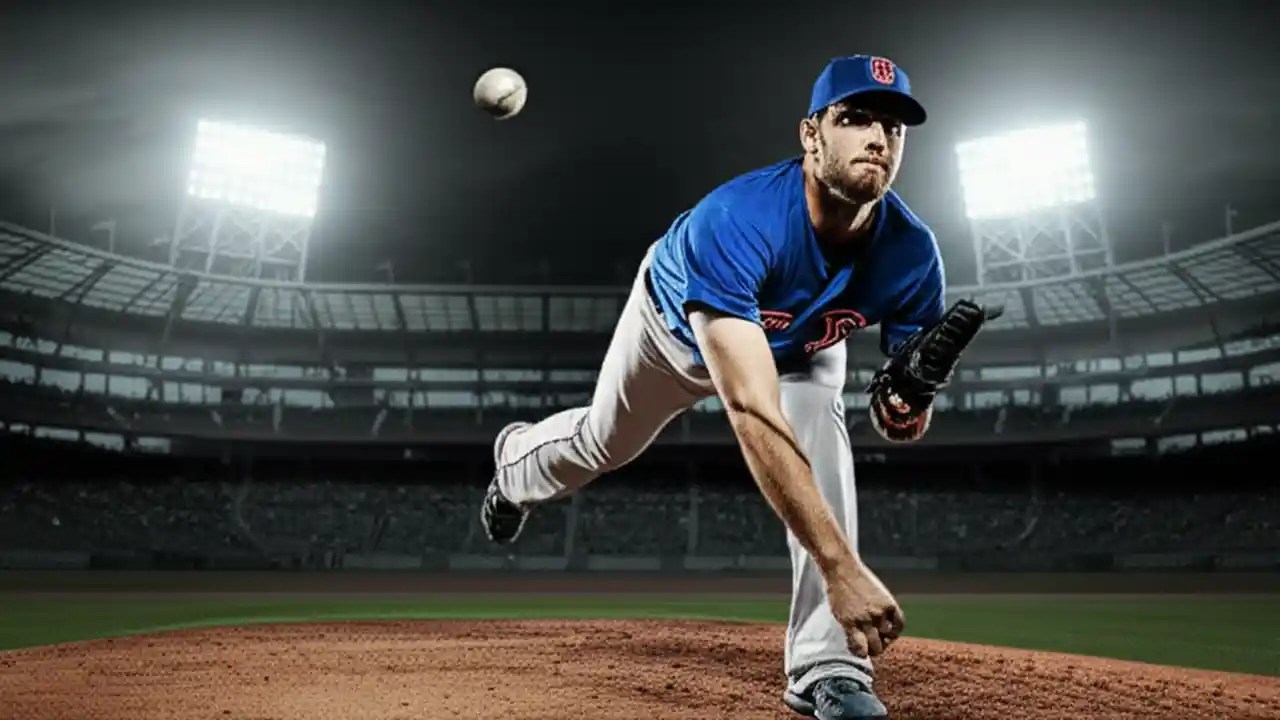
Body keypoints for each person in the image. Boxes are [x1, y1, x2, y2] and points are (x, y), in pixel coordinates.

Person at [481, 55, 949, 720]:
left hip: (801, 346)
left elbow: (901, 420)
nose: (879, 137)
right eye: (855, 118)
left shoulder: (913, 254)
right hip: (675, 331)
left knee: (822, 432)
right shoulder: (736, 219)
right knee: (605, 442)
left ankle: (830, 666)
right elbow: (749, 407)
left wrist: (910, 402)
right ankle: (515, 466)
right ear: (811, 135)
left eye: (895, 127)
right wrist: (841, 567)